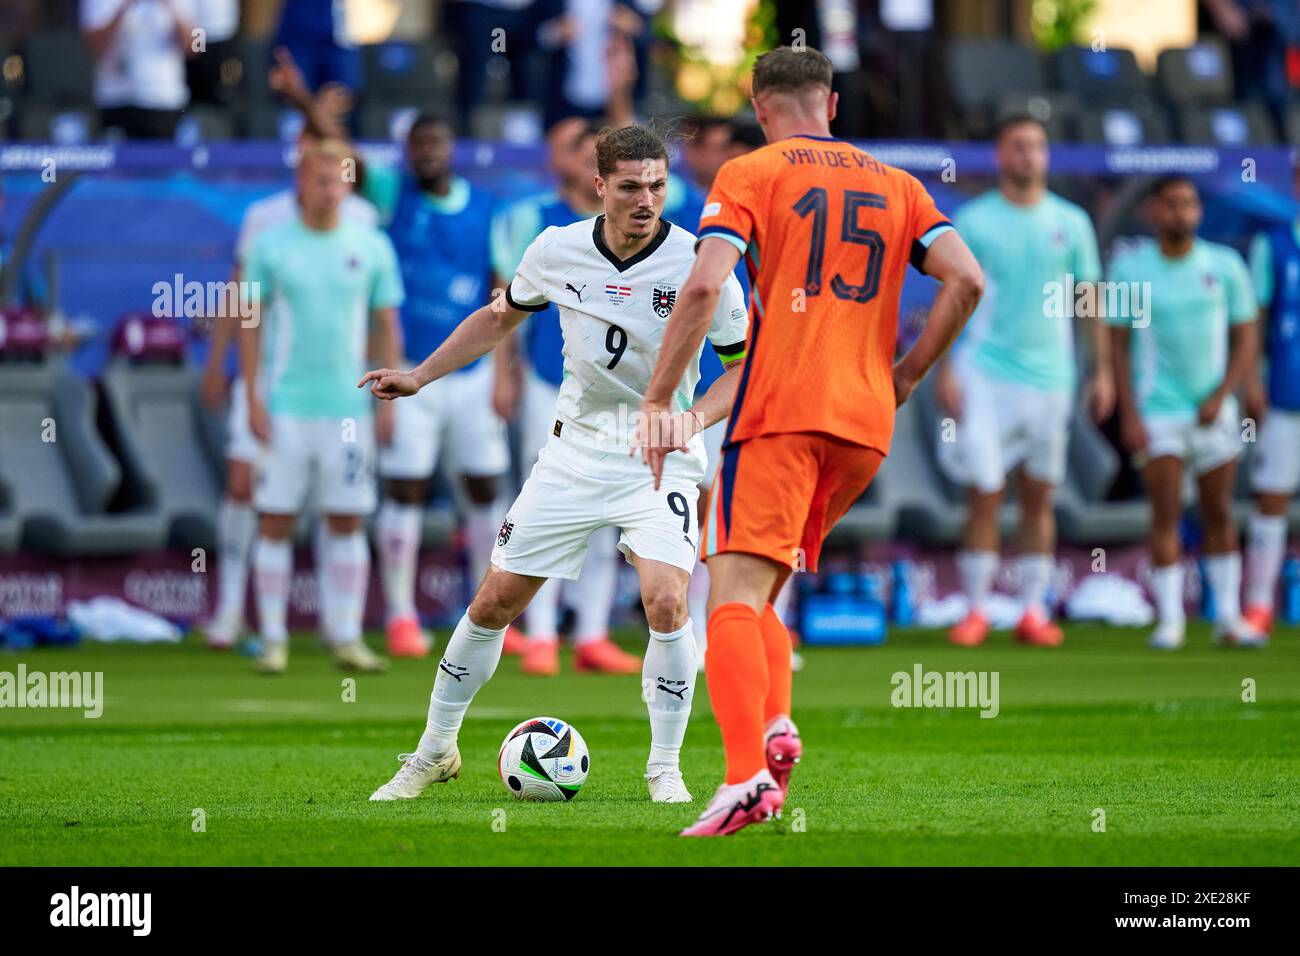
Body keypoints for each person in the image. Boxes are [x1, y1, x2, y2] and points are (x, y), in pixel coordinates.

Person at [636, 46, 983, 836]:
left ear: (760, 109)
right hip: (865, 426)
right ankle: (774, 727)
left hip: (780, 413)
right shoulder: (898, 183)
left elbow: (702, 283)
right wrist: (905, 377)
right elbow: (966, 279)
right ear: (831, 105)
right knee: (762, 589)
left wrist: (661, 397)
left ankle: (740, 779)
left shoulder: (752, 173)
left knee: (724, 594)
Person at [362, 124, 748, 805]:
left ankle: (664, 768)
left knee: (665, 597)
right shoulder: (556, 248)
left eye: (657, 185)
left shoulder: (701, 261)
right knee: (493, 602)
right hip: (573, 451)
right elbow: (497, 318)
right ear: (599, 185)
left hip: (660, 457)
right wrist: (421, 376)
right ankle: (433, 752)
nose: (645, 200)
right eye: (630, 186)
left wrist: (692, 420)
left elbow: (741, 370)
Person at [932, 115, 1111, 647]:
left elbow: (1088, 300)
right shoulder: (977, 220)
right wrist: (945, 366)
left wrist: (1101, 371)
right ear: (1000, 155)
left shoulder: (1072, 222)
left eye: (1036, 146)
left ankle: (1034, 610)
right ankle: (976, 609)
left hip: (1053, 380)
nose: (1028, 155)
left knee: (1039, 496)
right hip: (984, 375)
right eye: (1018, 146)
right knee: (984, 493)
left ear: (1047, 155)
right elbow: (954, 296)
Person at [199, 129, 378, 651]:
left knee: (339, 506)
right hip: (272, 385)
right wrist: (219, 364)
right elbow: (242, 296)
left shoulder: (363, 222)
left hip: (338, 394)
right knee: (244, 489)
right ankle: (231, 610)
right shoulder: (264, 220)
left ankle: (337, 626)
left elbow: (374, 309)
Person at [239, 139, 404, 674]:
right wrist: (252, 398)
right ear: (301, 186)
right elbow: (249, 323)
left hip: (349, 413)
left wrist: (389, 398)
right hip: (285, 407)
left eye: (339, 181)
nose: (330, 190)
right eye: (320, 181)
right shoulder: (271, 246)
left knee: (346, 520)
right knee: (276, 521)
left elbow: (386, 325)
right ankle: (272, 639)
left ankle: (347, 635)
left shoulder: (372, 246)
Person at [357, 114, 512, 659]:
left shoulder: (486, 208)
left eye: (437, 142)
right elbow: (341, 162)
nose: (428, 152)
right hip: (408, 368)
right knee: (406, 487)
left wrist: (502, 373)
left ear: (451, 148)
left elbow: (503, 300)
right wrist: (310, 107)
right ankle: (401, 615)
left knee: (486, 488)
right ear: (407, 151)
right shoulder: (390, 194)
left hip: (471, 374)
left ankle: (486, 613)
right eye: (418, 144)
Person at [491, 118, 637, 675]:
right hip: (546, 385)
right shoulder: (538, 222)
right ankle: (544, 633)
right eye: (583, 152)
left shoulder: (640, 231)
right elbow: (507, 304)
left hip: (614, 398)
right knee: (547, 508)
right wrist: (503, 376)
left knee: (607, 517)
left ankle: (593, 635)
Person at [1108, 175, 1264, 650]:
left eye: (1189, 203)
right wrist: (1128, 413)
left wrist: (1223, 394)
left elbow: (1247, 335)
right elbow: (1117, 343)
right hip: (1158, 410)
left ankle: (1228, 619)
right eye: (1171, 204)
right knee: (1166, 512)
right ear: (1152, 212)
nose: (1182, 212)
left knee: (1219, 511)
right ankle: (1171, 621)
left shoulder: (1226, 265)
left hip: (1213, 411)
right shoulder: (1128, 268)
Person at [1243, 165, 1300, 633]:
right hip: (1285, 395)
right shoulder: (1273, 245)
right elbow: (1253, 321)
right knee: (1272, 498)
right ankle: (1259, 606)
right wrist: (1252, 384)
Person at [81, 0, 195, 139]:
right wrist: (123, 8)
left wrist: (169, 6)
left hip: (163, 100)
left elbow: (195, 48)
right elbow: (93, 47)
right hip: (115, 99)